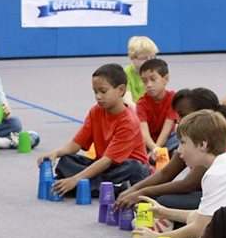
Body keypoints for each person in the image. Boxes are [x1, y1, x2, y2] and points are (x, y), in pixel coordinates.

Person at [130, 110, 226, 238]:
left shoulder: (217, 174)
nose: (179, 151)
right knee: (194, 221)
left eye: (183, 143)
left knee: (200, 236)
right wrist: (165, 212)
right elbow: (201, 216)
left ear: (202, 144)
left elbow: (200, 227)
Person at [115, 88, 226, 214]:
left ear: (202, 115)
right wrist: (134, 190)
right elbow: (166, 173)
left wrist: (142, 192)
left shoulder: (210, 141)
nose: (178, 121)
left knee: (161, 201)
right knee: (154, 198)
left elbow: (189, 184)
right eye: (178, 116)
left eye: (183, 115)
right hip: (209, 193)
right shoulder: (191, 138)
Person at [37, 63, 150, 197]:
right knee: (66, 160)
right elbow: (76, 144)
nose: (98, 96)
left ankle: (95, 186)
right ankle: (109, 187)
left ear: (121, 90)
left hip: (124, 168)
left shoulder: (128, 121)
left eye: (103, 91)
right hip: (103, 167)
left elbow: (107, 161)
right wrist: (55, 153)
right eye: (95, 92)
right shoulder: (96, 111)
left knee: (134, 169)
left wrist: (75, 179)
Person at [135, 57, 179, 159]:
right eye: (145, 81)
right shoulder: (141, 103)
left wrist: (156, 150)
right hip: (147, 142)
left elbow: (167, 129)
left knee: (181, 136)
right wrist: (155, 149)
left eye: (153, 79)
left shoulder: (172, 98)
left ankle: (154, 156)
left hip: (167, 139)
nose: (149, 85)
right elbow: (144, 132)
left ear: (166, 79)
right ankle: (157, 156)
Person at [124, 35, 157, 104]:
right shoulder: (125, 74)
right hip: (134, 108)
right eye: (144, 58)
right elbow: (127, 101)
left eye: (152, 57)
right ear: (132, 57)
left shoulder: (156, 72)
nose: (149, 61)